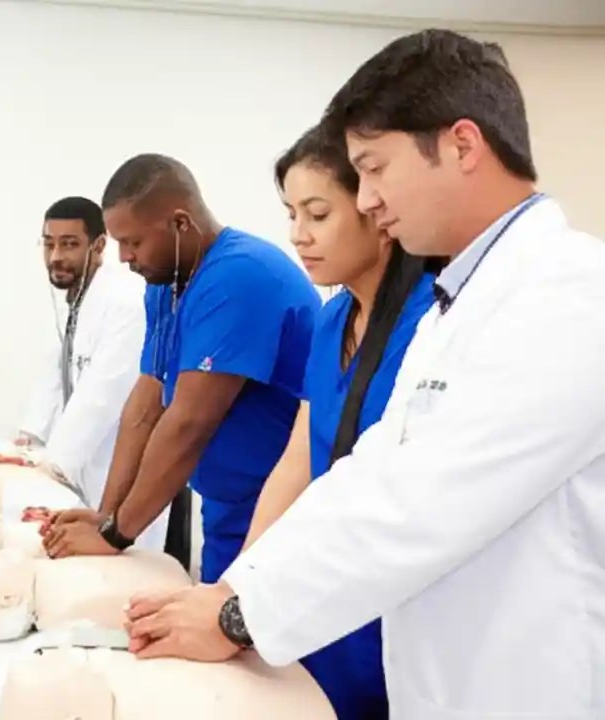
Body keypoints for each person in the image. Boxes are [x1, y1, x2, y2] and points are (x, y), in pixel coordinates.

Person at [123, 29, 605, 720]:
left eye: (375, 168)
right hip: (441, 680)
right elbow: (364, 471)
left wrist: (239, 616)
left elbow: (422, 503)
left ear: (463, 146)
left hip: (526, 687)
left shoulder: (571, 293)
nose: (369, 199)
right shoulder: (454, 310)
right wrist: (233, 589)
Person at [235, 125, 438, 720]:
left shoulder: (431, 324)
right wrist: (238, 586)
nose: (299, 235)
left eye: (317, 214)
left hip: (388, 599)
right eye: (291, 214)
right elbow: (298, 459)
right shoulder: (332, 321)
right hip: (320, 587)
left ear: (376, 210)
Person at [42, 154, 320, 585]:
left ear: (180, 224)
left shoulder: (239, 276)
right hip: (226, 510)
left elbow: (189, 422)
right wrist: (107, 516)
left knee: (265, 648)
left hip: (282, 516)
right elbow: (144, 406)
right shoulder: (165, 284)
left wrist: (117, 536)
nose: (125, 257)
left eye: (133, 242)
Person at [0, 196, 168, 549]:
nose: (56, 257)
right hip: (83, 466)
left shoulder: (125, 301)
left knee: (119, 579)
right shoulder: (77, 299)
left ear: (98, 246)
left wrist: (50, 468)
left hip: (117, 467)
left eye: (69, 244)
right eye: (48, 244)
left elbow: (101, 396)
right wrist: (27, 441)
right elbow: (55, 371)